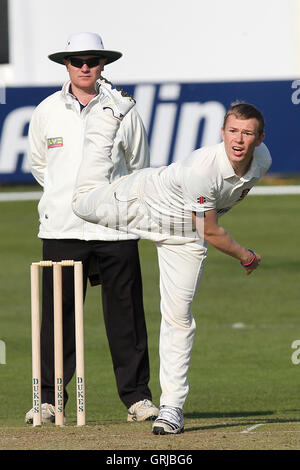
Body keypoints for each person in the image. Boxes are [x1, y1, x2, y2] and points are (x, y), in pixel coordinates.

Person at [71, 78, 272, 435]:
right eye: (233, 131)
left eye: (247, 133)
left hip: (185, 237)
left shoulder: (263, 162)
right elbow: (212, 232)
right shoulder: (202, 169)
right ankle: (108, 116)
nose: (239, 140)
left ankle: (171, 410)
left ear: (260, 137)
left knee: (179, 317)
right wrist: (246, 255)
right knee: (81, 203)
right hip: (143, 204)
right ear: (222, 132)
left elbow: (203, 228)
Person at [25, 33, 158, 424]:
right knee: (56, 317)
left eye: (92, 61)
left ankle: (137, 399)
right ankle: (49, 400)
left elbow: (138, 165)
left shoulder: (124, 110)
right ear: (66, 64)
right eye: (77, 60)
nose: (85, 67)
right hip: (62, 227)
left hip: (114, 227)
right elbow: (40, 166)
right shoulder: (47, 110)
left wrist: (114, 205)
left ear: (103, 65)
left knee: (126, 316)